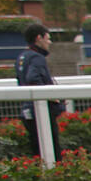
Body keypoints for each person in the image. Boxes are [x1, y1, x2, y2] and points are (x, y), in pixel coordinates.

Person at [15, 22, 62, 161]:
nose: (49, 42)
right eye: (47, 38)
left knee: (37, 151)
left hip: (27, 110)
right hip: (41, 111)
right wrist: (52, 97)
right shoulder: (37, 57)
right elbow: (33, 79)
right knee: (52, 152)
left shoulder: (22, 57)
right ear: (38, 38)